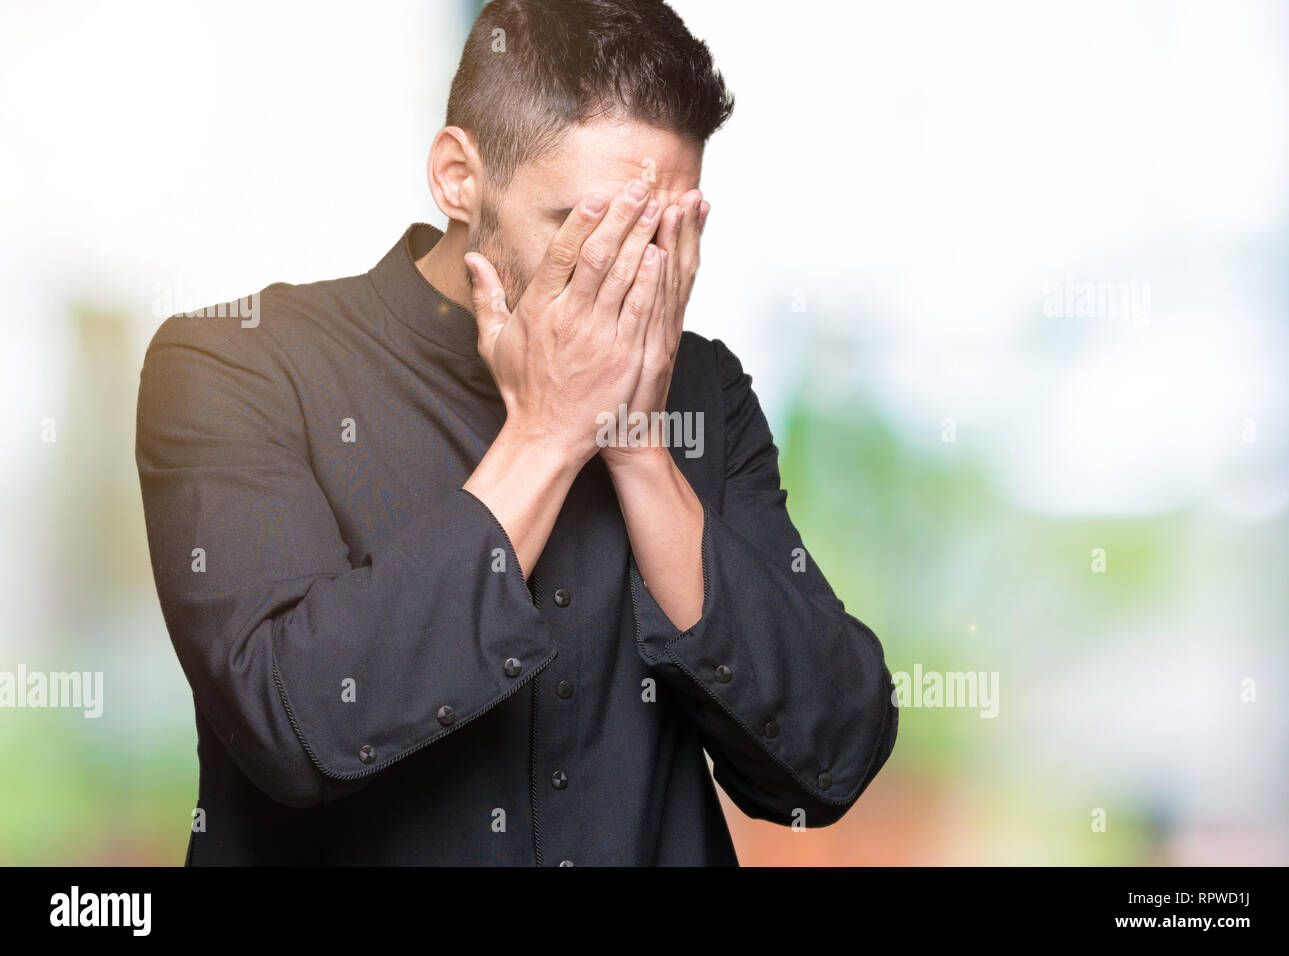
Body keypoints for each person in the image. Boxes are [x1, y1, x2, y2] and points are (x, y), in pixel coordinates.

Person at [135, 0, 898, 866]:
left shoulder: (704, 391)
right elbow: (288, 720)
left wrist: (638, 447)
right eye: (587, 226)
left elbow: (830, 757)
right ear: (460, 176)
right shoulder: (236, 365)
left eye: (660, 234)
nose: (629, 272)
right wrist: (545, 434)